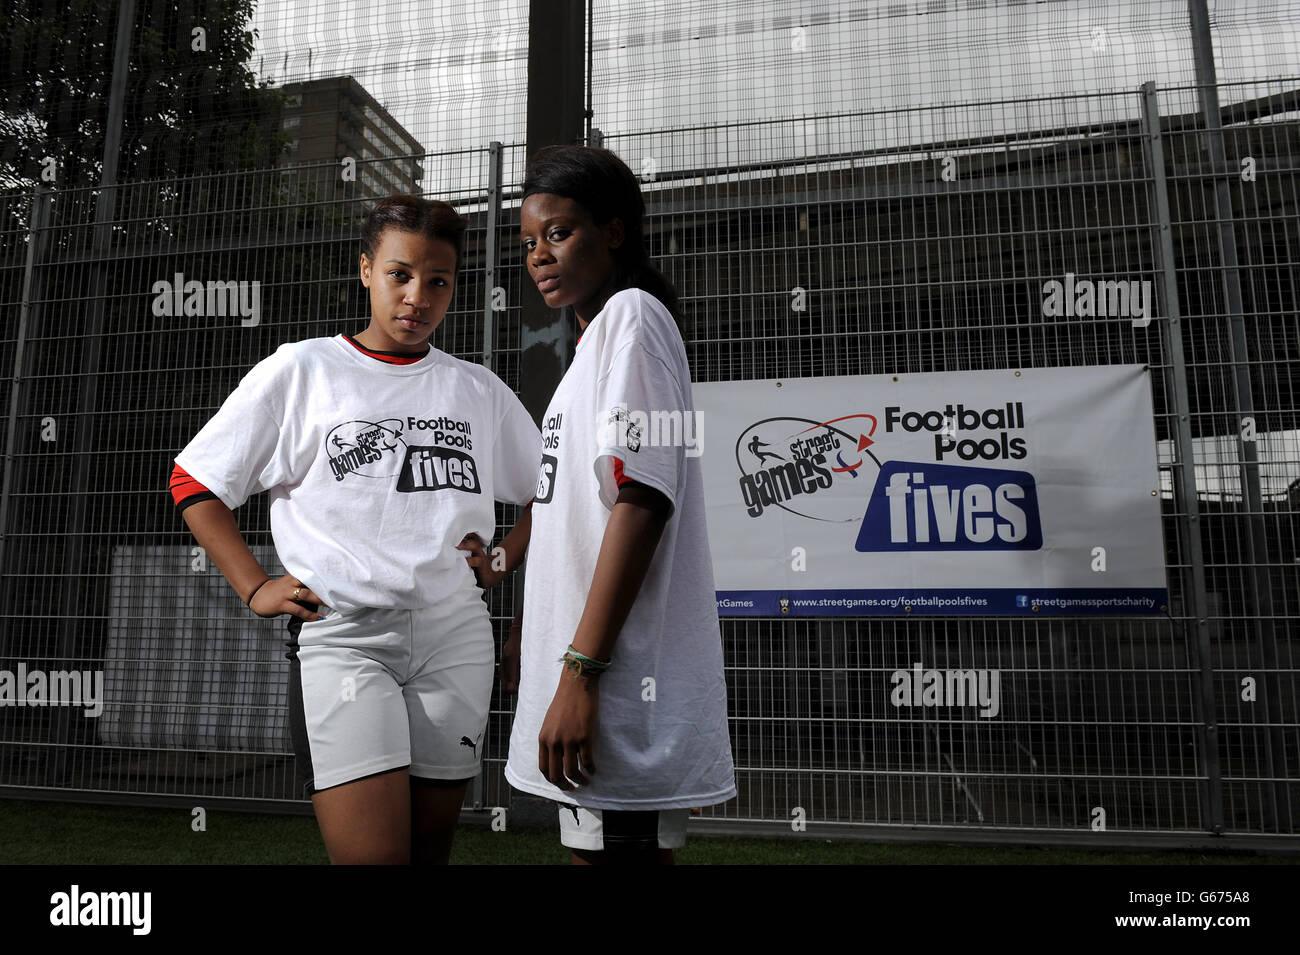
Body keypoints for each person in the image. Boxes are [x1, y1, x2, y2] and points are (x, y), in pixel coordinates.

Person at [169, 195, 539, 864]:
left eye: (438, 280)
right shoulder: (302, 371)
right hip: (345, 638)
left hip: (454, 637)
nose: (417, 296)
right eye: (399, 274)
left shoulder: (477, 390)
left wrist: (505, 557)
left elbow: (549, 489)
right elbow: (195, 482)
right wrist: (255, 587)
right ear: (366, 269)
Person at [503, 145, 736, 865]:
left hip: (617, 686)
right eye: (530, 242)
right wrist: (533, 634)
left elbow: (643, 499)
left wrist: (579, 669)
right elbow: (575, 514)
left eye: (560, 232)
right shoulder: (596, 343)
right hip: (594, 674)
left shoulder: (635, 318)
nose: (541, 254)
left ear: (614, 229)